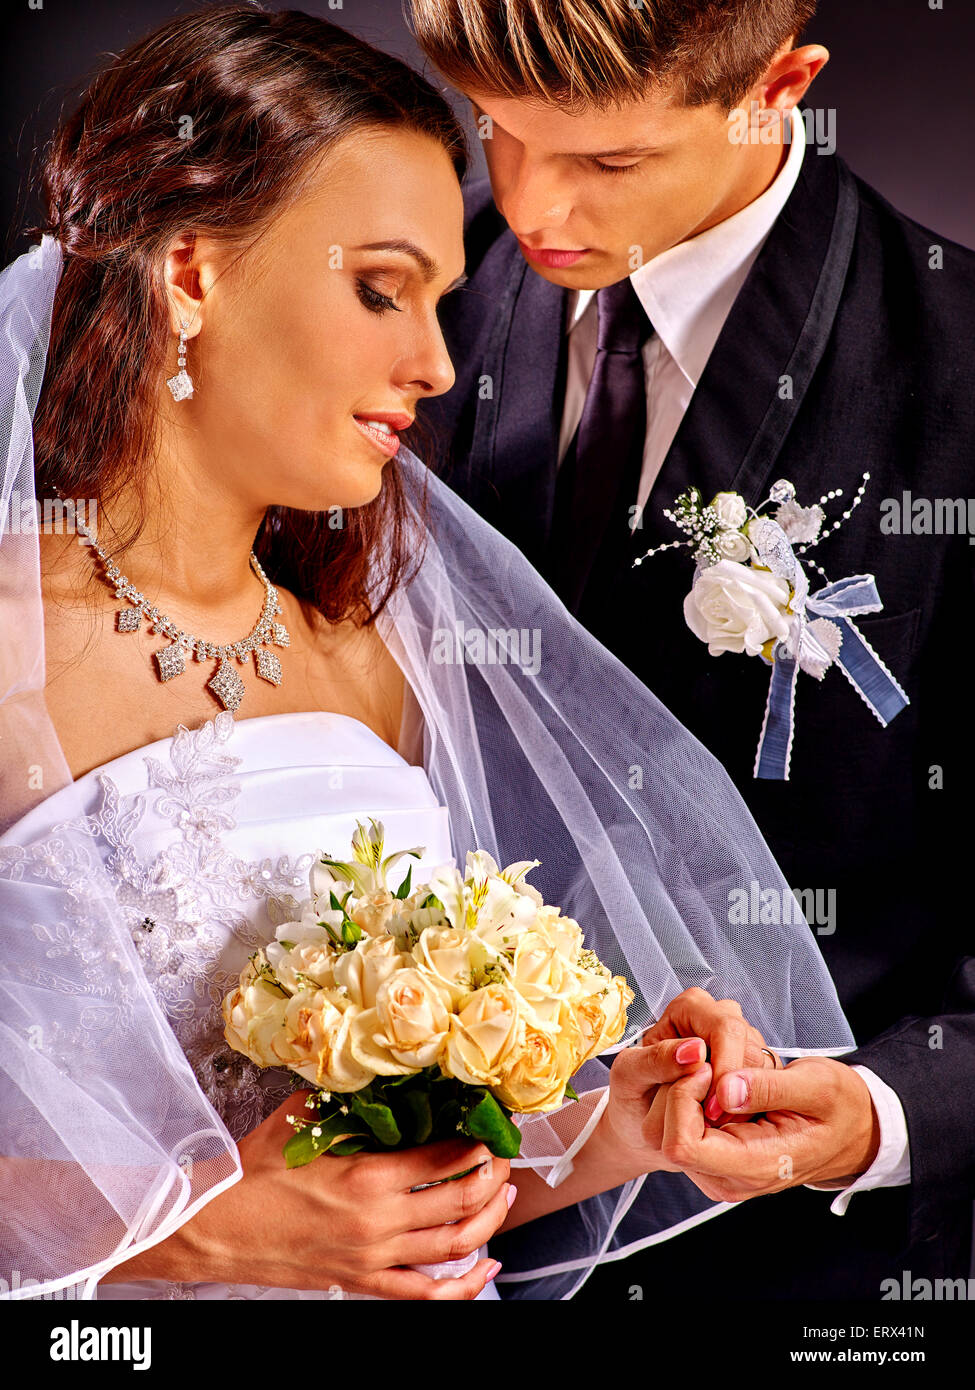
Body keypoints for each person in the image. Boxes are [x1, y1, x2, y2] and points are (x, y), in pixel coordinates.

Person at [0, 5, 854, 1304]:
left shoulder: (367, 649)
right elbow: (262, 1217)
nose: (439, 364)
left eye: (446, 304)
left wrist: (613, 1121)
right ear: (189, 275)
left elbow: (400, 1185)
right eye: (380, 290)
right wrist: (206, 1232)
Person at [407, 0, 975, 1297]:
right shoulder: (412, 285)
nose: (531, 202)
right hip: (423, 1224)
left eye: (608, 161)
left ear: (779, 85)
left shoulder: (957, 370)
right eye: (495, 129)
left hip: (782, 1266)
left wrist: (883, 1113)